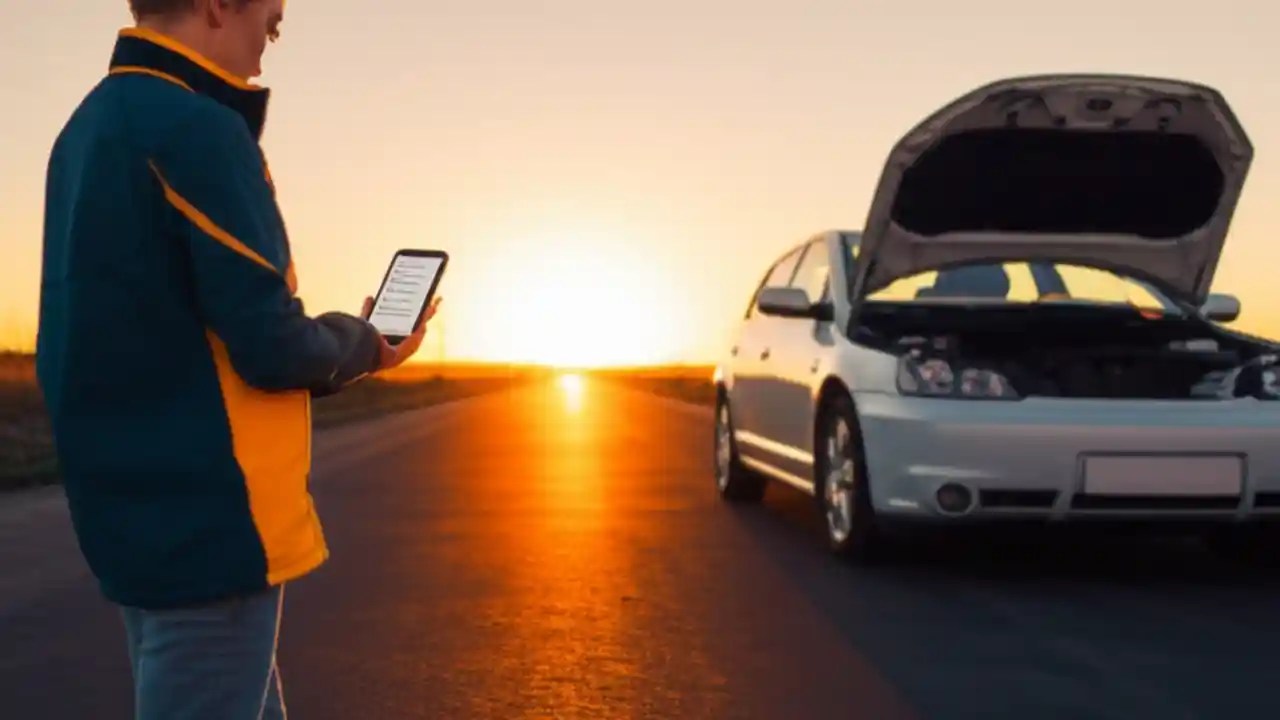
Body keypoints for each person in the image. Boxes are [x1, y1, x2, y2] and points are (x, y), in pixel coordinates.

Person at [35, 1, 438, 717]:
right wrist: (365, 344)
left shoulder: (86, 128)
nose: (267, 46)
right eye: (271, 24)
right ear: (220, 5)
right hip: (213, 525)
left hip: (132, 513)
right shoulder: (198, 128)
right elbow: (271, 343)